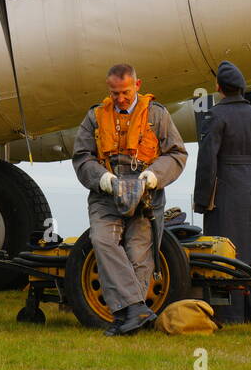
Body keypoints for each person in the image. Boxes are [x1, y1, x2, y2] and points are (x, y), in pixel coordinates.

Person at [72, 64, 187, 335]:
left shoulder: (158, 115)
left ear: (137, 85)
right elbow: (82, 157)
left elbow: (177, 154)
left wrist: (152, 177)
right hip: (106, 194)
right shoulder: (95, 117)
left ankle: (126, 321)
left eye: (124, 92)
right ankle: (136, 309)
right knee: (102, 241)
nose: (120, 98)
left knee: (139, 254)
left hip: (146, 196)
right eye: (114, 93)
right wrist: (104, 180)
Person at [192, 60, 251, 324]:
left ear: (219, 87)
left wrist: (202, 200)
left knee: (224, 253)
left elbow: (207, 162)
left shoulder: (215, 116)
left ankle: (228, 313)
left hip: (224, 192)